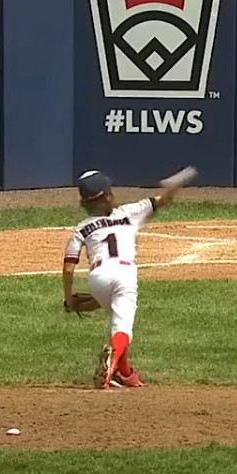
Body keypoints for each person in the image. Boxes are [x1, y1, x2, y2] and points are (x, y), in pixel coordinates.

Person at [62, 167, 195, 390]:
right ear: (108, 194)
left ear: (84, 202)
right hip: (124, 274)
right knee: (122, 329)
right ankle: (109, 366)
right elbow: (163, 199)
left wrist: (69, 299)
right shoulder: (130, 212)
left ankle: (125, 373)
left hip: (97, 278)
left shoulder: (81, 229)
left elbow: (68, 268)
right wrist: (176, 183)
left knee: (114, 318)